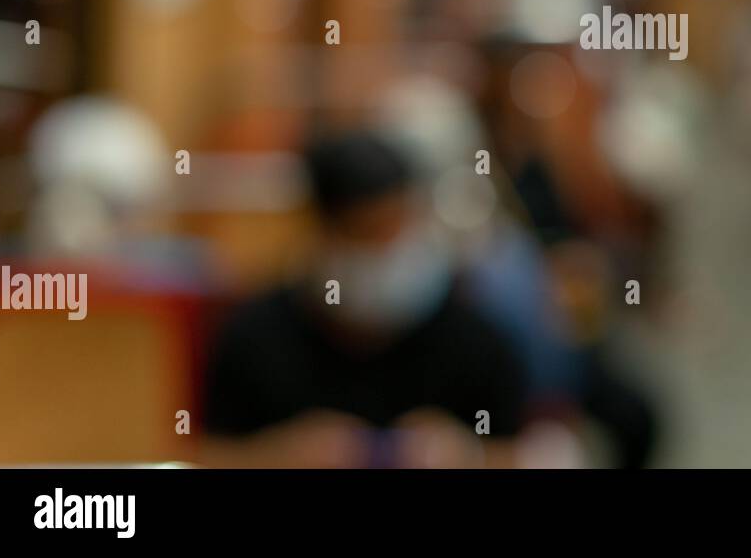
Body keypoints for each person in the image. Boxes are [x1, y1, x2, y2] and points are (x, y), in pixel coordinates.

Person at [199, 130, 528, 468]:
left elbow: (518, 453)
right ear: (319, 232)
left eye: (400, 230)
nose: (388, 251)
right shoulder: (254, 339)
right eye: (367, 234)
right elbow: (202, 455)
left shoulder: (477, 343)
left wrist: (467, 455)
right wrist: (274, 458)